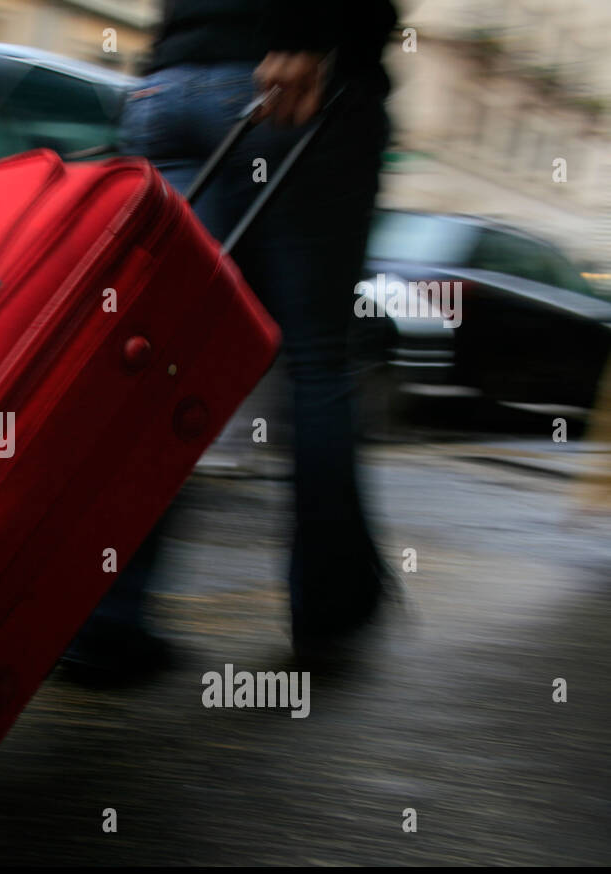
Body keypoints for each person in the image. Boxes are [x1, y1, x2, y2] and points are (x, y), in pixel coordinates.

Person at [64, 0, 399, 676]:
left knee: (167, 359)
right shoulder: (294, 39)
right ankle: (328, 607)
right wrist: (301, 33)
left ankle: (107, 615)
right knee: (314, 361)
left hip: (168, 85)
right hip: (282, 79)